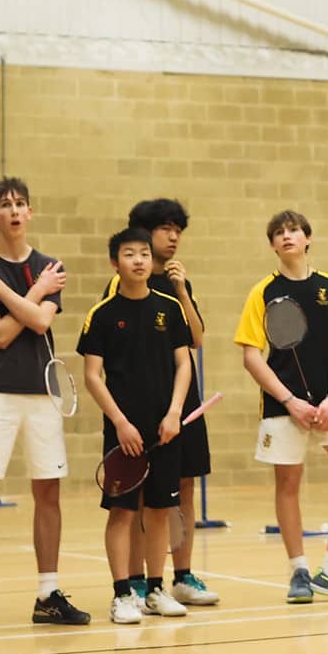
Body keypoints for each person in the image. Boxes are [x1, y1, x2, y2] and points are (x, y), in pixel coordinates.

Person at [0, 176, 89, 634]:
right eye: (4, 204)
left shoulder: (50, 266)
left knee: (47, 491)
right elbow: (3, 333)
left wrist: (8, 291)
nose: (13, 210)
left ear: (30, 212)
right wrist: (21, 291)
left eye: (20, 204)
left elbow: (40, 320)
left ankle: (48, 594)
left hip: (42, 394)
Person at [235, 211, 328, 603]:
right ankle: (299, 571)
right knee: (288, 483)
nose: (287, 237)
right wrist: (290, 401)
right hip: (284, 405)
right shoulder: (262, 293)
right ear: (272, 244)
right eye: (278, 233)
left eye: (293, 231)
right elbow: (252, 356)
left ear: (307, 239)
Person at [80, 227, 195, 624]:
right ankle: (122, 594)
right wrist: (120, 422)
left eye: (144, 253)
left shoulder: (169, 308)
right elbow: (93, 376)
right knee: (123, 513)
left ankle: (156, 590)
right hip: (122, 431)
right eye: (130, 254)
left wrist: (175, 412)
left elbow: (185, 363)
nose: (139, 260)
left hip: (164, 427)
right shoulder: (103, 315)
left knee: (162, 510)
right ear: (116, 263)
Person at [115, 197, 219, 607]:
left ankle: (182, 574)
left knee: (185, 486)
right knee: (144, 493)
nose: (173, 237)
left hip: (184, 400)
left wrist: (179, 289)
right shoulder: (124, 284)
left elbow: (196, 338)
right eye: (165, 229)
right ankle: (141, 579)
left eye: (178, 229)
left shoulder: (179, 284)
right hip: (144, 402)